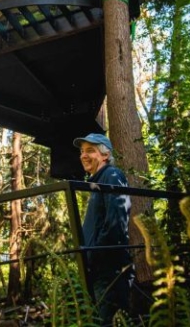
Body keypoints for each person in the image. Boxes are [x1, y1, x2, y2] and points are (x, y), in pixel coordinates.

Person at [74, 133, 133, 326]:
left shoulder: (112, 175)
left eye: (90, 150)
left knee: (111, 321)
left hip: (109, 269)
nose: (83, 155)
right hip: (98, 268)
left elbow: (116, 222)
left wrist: (96, 255)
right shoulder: (97, 182)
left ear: (105, 155)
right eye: (82, 151)